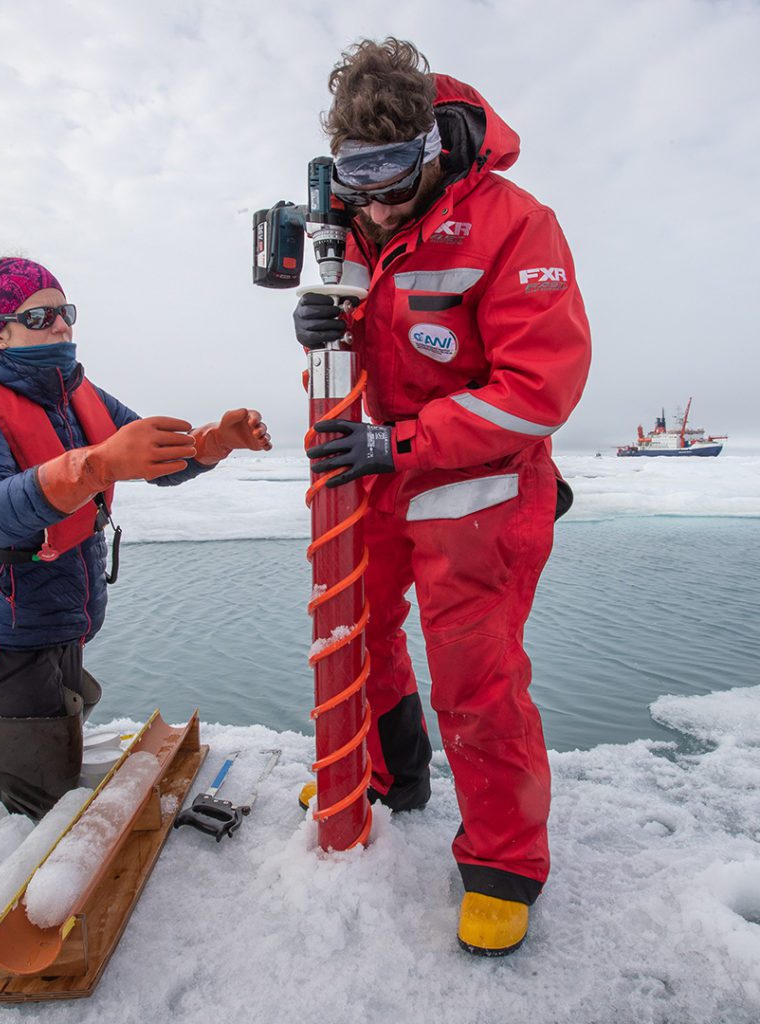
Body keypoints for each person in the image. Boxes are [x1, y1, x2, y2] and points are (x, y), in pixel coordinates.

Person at [295, 40, 590, 956]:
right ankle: (393, 773)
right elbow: (364, 349)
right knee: (359, 630)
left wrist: (401, 444)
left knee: (475, 678)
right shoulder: (355, 221)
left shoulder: (515, 224)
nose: (377, 207)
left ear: (431, 150)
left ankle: (504, 863)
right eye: (359, 185)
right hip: (381, 470)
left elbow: (538, 389)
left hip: (482, 488)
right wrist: (319, 324)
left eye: (392, 184)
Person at [0, 256, 271, 819]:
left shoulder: (76, 391)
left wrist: (210, 444)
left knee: (56, 725)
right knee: (37, 792)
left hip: (64, 615)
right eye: (38, 317)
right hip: (9, 629)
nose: (60, 325)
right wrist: (96, 466)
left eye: (65, 312)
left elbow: (152, 459)